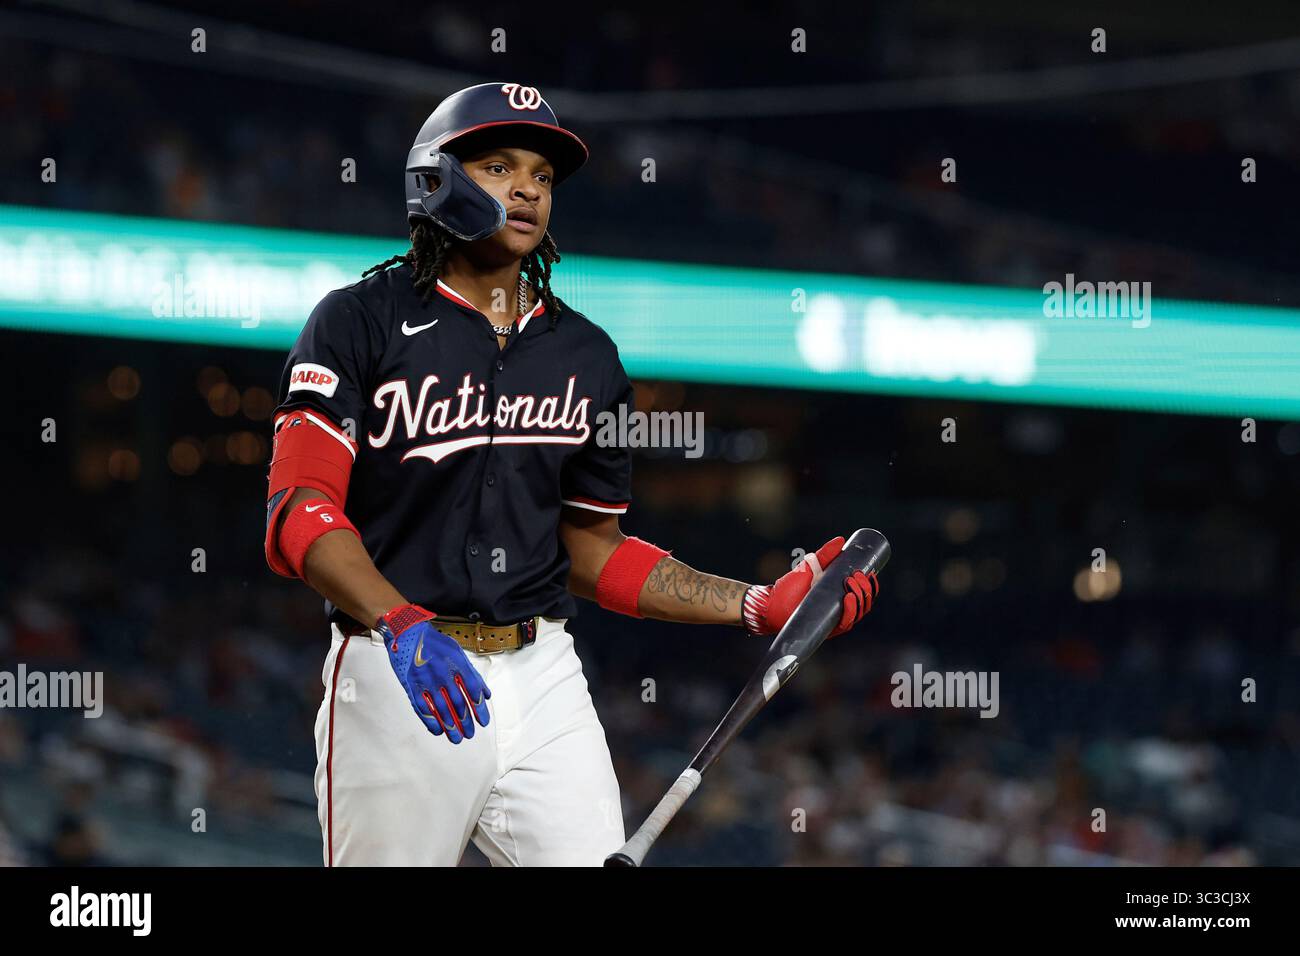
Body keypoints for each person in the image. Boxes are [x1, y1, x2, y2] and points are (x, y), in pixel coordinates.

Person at [264, 82, 879, 866]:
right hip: (398, 671)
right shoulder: (357, 322)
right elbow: (299, 511)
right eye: (497, 165)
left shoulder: (587, 356)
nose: (526, 188)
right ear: (434, 179)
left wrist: (754, 604)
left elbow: (591, 547)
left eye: (544, 176)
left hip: (542, 670)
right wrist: (398, 620)